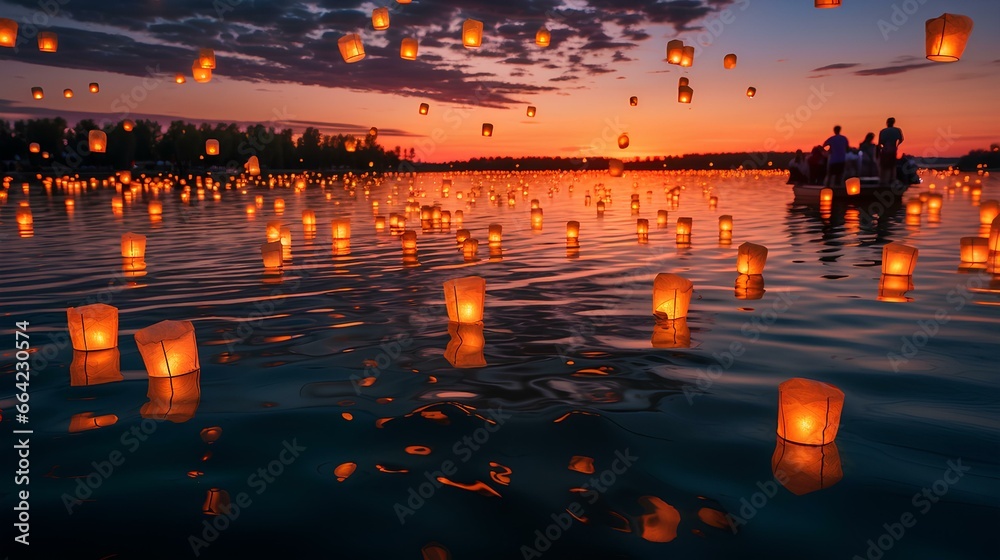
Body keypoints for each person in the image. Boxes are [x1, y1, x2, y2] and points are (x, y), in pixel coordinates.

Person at [878, 117, 904, 186]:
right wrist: (897, 145)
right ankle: (892, 180)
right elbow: (901, 139)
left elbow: (879, 143)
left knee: (884, 166)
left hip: (885, 150)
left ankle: (883, 181)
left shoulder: (883, 131)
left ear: (887, 123)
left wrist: (882, 148)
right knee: (892, 166)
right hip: (893, 149)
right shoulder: (897, 130)